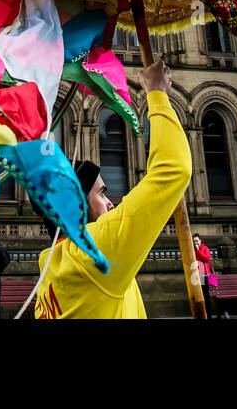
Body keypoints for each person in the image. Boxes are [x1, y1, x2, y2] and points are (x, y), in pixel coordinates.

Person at [34, 60, 192, 319]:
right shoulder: (94, 254)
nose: (111, 203)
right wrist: (157, 93)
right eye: (101, 193)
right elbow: (173, 171)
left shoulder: (52, 265)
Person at [193, 234, 219, 317]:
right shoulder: (192, 250)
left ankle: (208, 314)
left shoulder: (205, 248)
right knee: (197, 295)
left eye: (196, 241)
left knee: (205, 295)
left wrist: (198, 251)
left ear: (200, 241)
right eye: (193, 241)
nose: (195, 243)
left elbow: (206, 258)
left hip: (203, 275)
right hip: (195, 275)